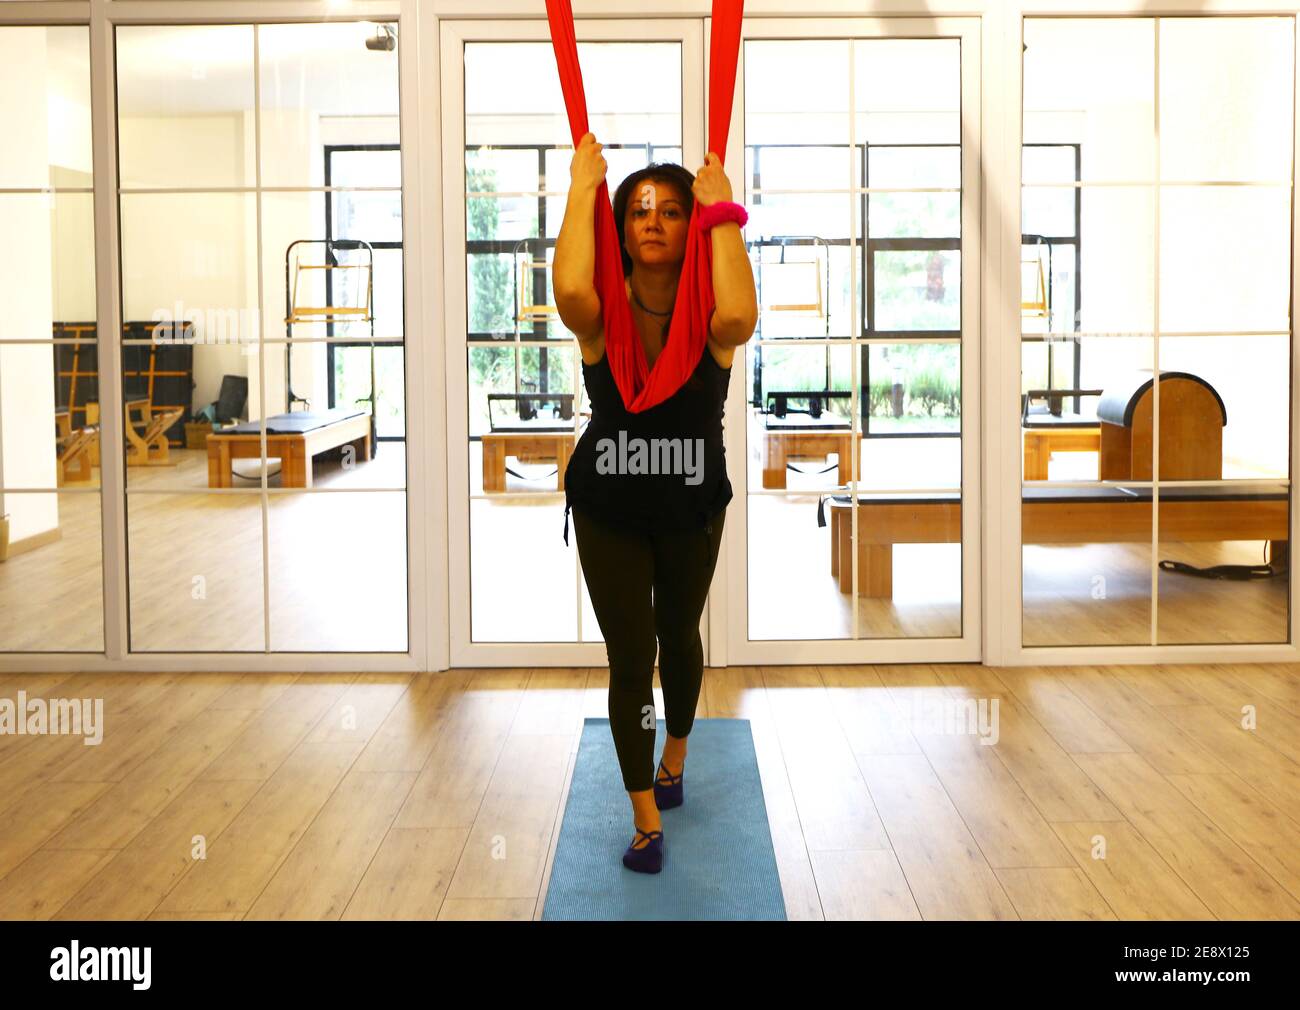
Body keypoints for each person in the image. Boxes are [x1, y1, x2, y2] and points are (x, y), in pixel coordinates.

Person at [553, 132, 757, 874]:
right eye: (638, 209)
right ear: (621, 227)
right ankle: (644, 812)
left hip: (692, 503)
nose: (652, 220)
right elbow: (571, 291)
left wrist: (720, 211)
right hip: (609, 500)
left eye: (672, 211)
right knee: (630, 655)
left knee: (678, 632)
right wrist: (583, 185)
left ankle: (676, 751)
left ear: (689, 227)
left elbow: (740, 318)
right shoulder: (603, 310)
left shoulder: (709, 315)